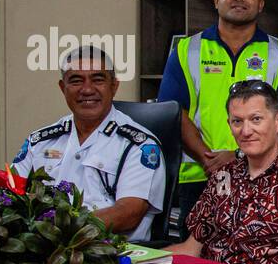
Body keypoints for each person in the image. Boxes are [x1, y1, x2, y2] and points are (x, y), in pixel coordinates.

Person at [157, 0, 278, 228]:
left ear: (260, 4)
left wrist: (239, 156)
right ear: (216, 0)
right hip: (199, 176)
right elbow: (173, 113)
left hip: (264, 176)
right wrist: (209, 159)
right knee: (196, 260)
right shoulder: (187, 50)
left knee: (255, 255)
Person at [168, 80, 278, 264]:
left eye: (256, 119)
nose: (246, 131)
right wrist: (140, 260)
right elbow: (190, 249)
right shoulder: (224, 176)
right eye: (237, 121)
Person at [11, 45, 165, 242]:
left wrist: (59, 229)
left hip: (112, 256)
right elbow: (12, 194)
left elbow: (129, 213)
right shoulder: (40, 141)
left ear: (114, 86)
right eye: (76, 81)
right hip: (44, 251)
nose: (87, 89)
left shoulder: (139, 146)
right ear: (62, 87)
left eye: (98, 79)